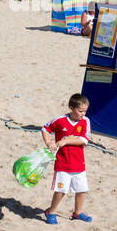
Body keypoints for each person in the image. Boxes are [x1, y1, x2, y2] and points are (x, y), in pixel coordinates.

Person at [42, 93, 93, 224]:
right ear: (71, 108)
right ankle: (51, 211)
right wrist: (49, 143)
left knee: (82, 190)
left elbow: (84, 139)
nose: (83, 114)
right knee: (61, 190)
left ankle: (77, 213)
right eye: (80, 111)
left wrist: (67, 140)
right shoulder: (60, 120)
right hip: (63, 163)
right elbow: (45, 129)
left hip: (78, 163)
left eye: (85, 111)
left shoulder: (85, 121)